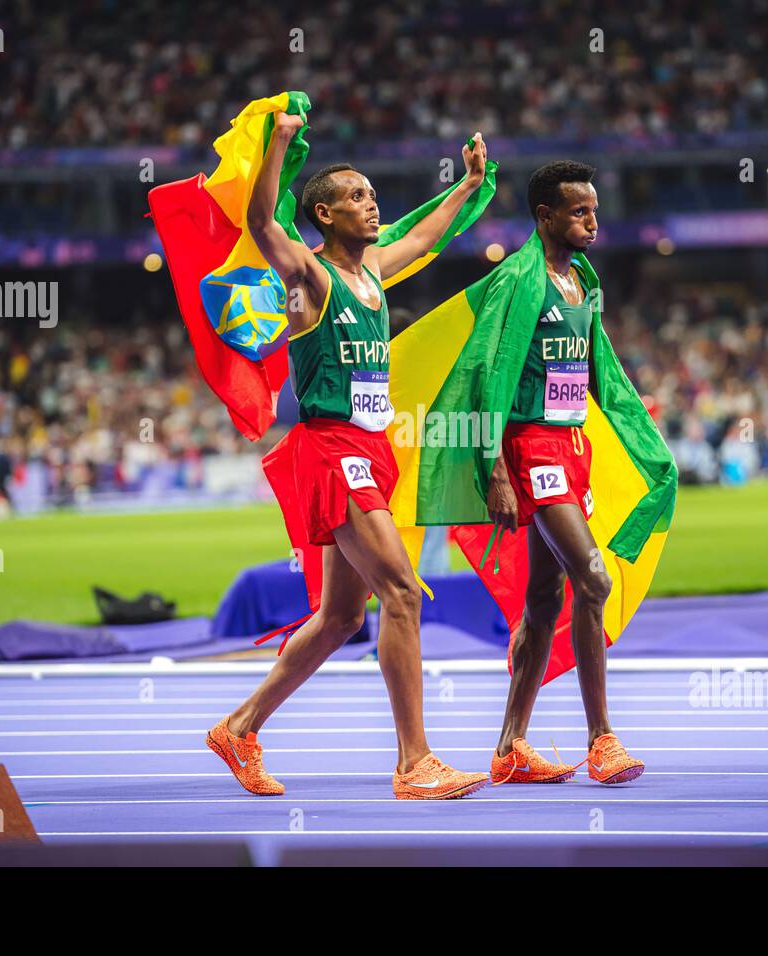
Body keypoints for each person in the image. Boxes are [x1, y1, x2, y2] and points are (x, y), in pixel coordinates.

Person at [206, 110, 492, 799]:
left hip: (368, 448)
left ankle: (238, 727)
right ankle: (414, 762)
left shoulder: (372, 277)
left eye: (373, 195)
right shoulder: (311, 277)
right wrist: (278, 145)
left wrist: (468, 185)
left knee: (340, 617)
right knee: (401, 590)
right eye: (358, 197)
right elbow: (265, 228)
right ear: (326, 215)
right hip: (334, 450)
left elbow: (424, 235)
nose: (374, 205)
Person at [485, 161, 645, 786]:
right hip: (532, 447)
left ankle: (509, 748)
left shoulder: (582, 278)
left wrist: (635, 438)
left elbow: (596, 364)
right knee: (595, 579)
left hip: (570, 444)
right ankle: (602, 740)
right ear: (545, 216)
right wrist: (495, 468)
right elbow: (489, 373)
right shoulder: (519, 280)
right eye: (580, 212)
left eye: (596, 211)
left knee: (545, 599)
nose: (593, 222)